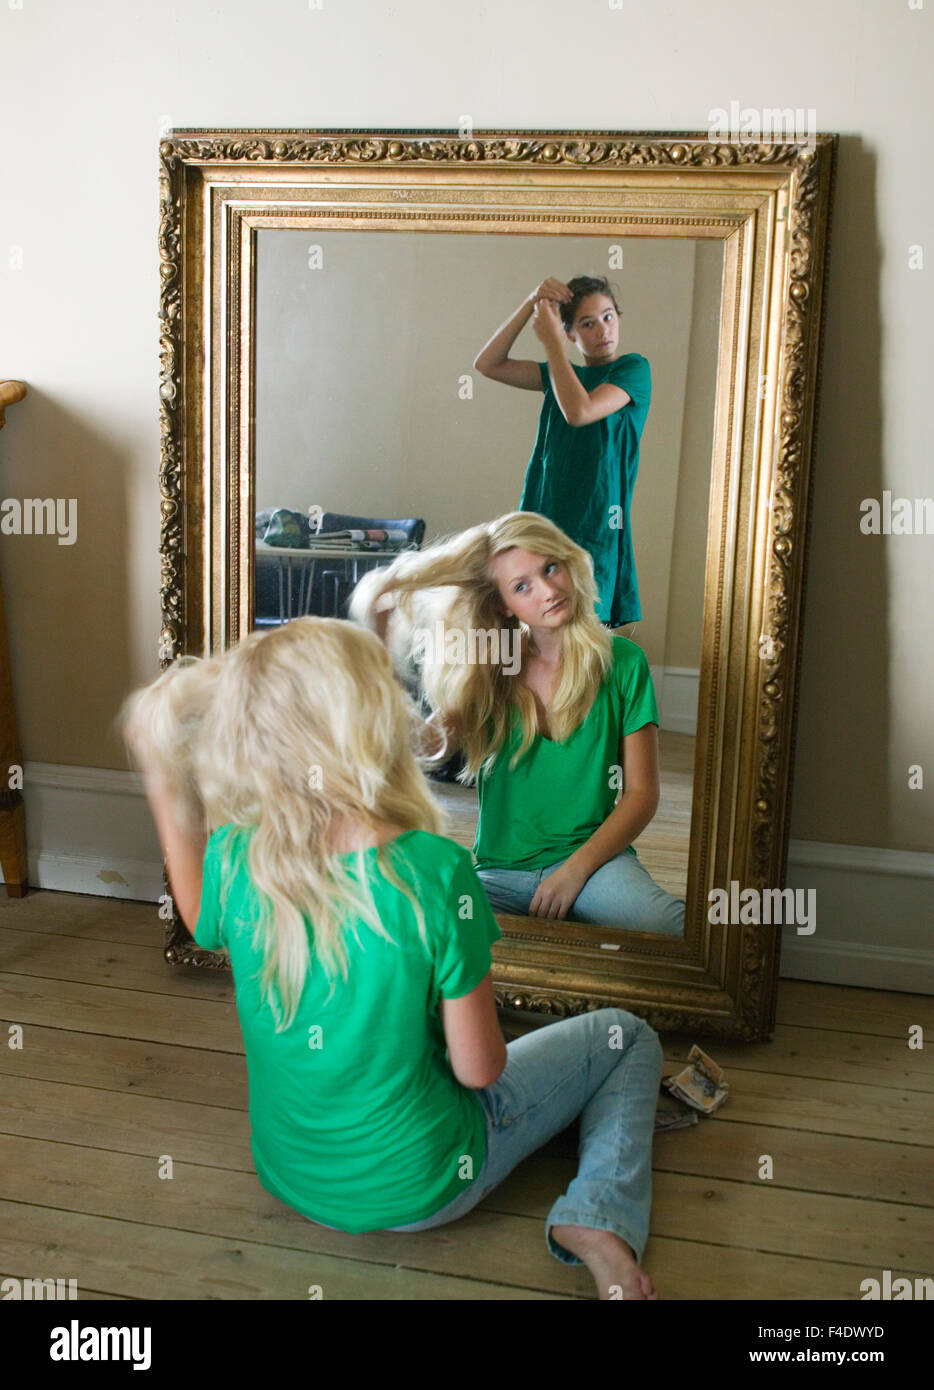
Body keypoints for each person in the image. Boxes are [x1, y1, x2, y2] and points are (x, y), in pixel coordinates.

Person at [120, 618, 665, 1300]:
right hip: (430, 1185)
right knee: (628, 1036)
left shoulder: (237, 855)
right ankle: (598, 1217)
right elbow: (480, 1069)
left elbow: (199, 921)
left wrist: (160, 773)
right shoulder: (434, 873)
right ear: (375, 723)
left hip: (291, 1175)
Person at [349, 512, 685, 934]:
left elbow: (641, 794)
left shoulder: (622, 662)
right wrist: (381, 652)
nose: (547, 591)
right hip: (498, 877)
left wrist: (574, 872)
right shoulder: (494, 662)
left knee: (672, 930)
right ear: (504, 605)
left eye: (550, 568)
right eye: (522, 586)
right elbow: (426, 744)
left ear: (569, 563)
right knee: (417, 925)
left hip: (595, 867)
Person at [474, 274, 651, 630]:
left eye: (608, 316)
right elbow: (487, 364)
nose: (603, 330)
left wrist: (553, 344)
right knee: (532, 637)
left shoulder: (633, 369)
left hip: (595, 531)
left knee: (580, 641)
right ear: (571, 333)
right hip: (542, 525)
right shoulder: (558, 373)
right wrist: (531, 302)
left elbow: (579, 412)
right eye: (587, 323)